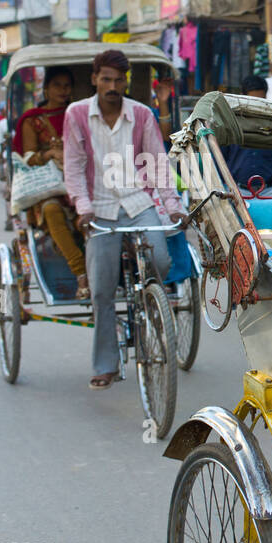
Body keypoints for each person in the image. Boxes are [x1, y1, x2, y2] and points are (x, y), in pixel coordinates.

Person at [64, 50, 187, 390]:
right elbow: (73, 167)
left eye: (119, 80)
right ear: (94, 80)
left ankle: (147, 309)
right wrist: (82, 207)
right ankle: (106, 364)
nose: (112, 86)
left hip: (138, 201)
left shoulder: (142, 115)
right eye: (106, 79)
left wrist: (173, 205)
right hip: (99, 208)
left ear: (126, 82)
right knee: (102, 290)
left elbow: (158, 164)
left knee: (161, 260)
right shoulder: (76, 115)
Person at [18, 67, 88, 299]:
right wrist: (49, 154)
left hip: (83, 179)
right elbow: (28, 158)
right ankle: (81, 274)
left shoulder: (79, 113)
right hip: (50, 187)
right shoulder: (33, 120)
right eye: (57, 85)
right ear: (46, 88)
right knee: (51, 209)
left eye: (67, 85)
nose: (62, 90)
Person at [221, 75, 272, 195]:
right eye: (252, 100)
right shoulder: (231, 123)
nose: (256, 104)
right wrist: (225, 185)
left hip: (270, 191)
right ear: (243, 96)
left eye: (260, 100)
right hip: (238, 191)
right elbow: (220, 158)